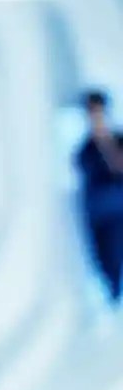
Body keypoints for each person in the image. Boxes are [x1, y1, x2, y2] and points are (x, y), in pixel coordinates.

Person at [76, 90, 123, 303]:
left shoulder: (117, 141)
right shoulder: (85, 149)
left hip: (115, 210)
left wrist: (106, 142)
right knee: (101, 261)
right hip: (97, 213)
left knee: (115, 256)